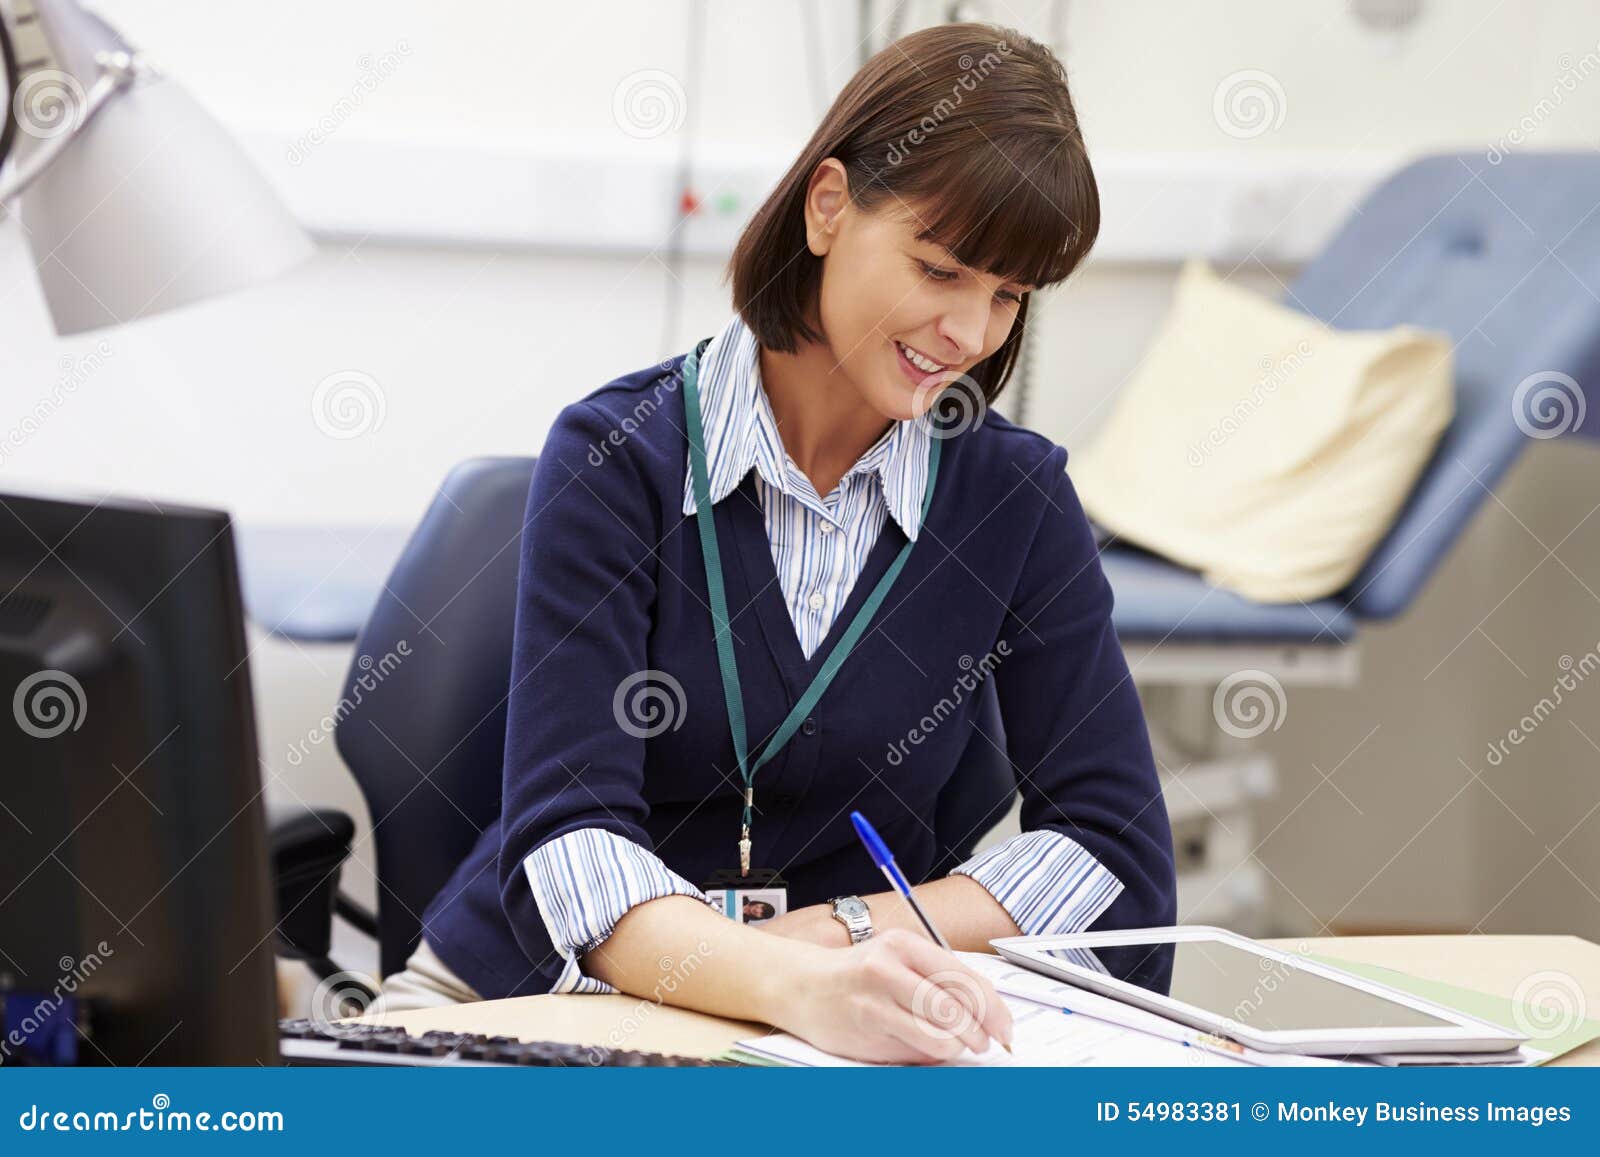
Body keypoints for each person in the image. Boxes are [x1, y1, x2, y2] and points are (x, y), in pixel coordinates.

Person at [381, 21, 1176, 1065]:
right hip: (533, 1000)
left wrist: (841, 942)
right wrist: (792, 976)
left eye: (1007, 295)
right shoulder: (618, 456)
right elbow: (571, 847)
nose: (972, 335)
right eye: (940, 269)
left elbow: (1113, 856)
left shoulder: (1010, 495)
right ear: (829, 205)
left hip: (834, 1035)